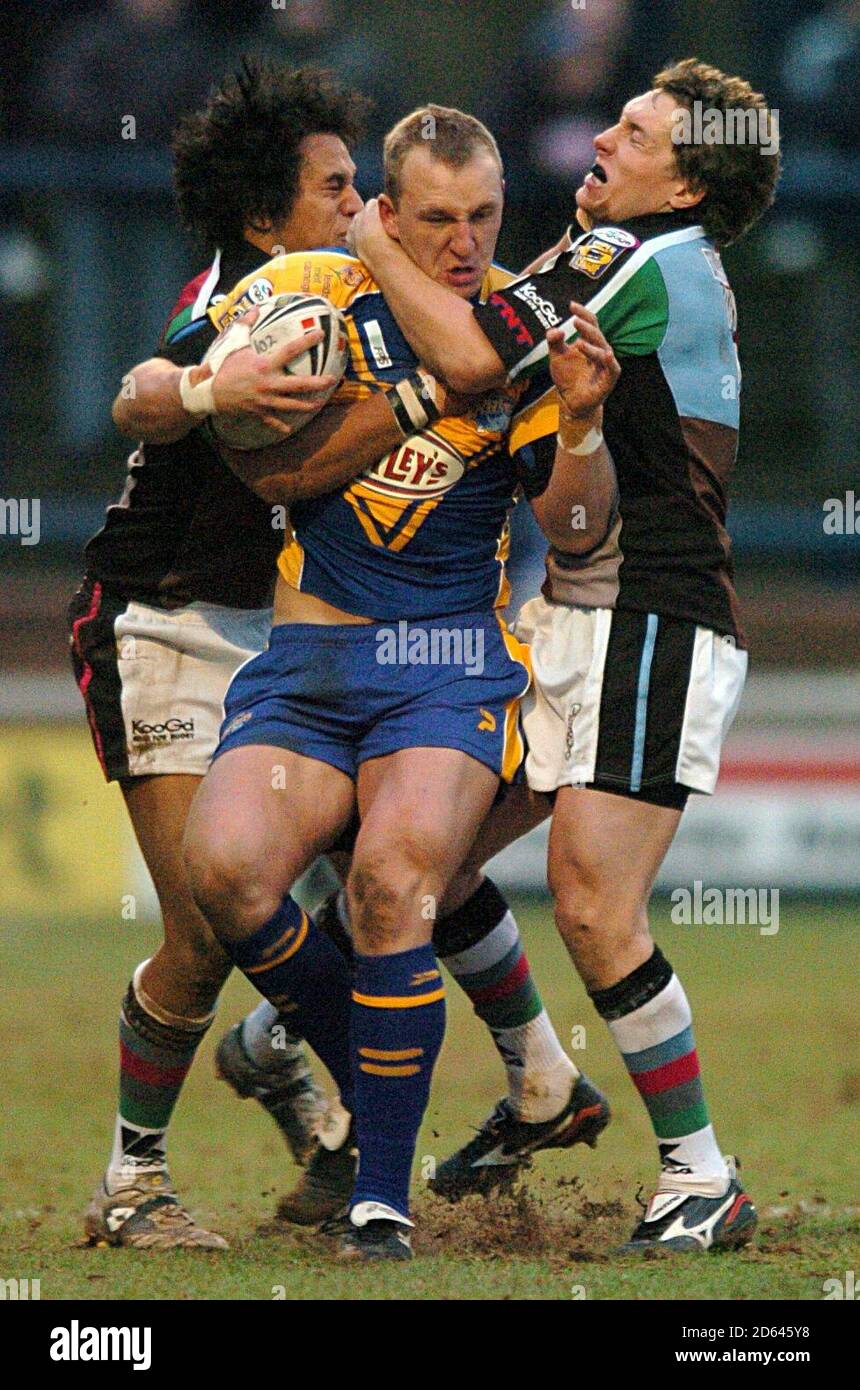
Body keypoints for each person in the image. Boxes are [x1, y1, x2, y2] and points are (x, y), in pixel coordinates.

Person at [353, 58, 780, 1253]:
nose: (600, 138)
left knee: (595, 903)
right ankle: (542, 1078)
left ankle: (700, 1174)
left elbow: (477, 355)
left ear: (682, 176)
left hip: (652, 614)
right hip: (576, 611)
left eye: (632, 131)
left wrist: (366, 237)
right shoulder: (624, 253)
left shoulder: (634, 255)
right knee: (412, 856)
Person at [180, 105, 621, 1261]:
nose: (465, 241)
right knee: (223, 872)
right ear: (386, 212)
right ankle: (387, 1077)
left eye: (482, 216)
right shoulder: (313, 300)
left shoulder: (522, 335)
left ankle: (379, 1193)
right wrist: (188, 386)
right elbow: (260, 459)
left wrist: (579, 428)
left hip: (442, 669)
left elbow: (574, 532)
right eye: (435, 218)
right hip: (308, 662)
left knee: (391, 882)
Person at [69, 59, 371, 1251]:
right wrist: (208, 384)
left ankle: (296, 1073)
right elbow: (137, 396)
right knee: (203, 928)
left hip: (289, 633)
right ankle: (130, 1185)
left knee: (392, 875)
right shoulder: (240, 300)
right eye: (336, 187)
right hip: (168, 624)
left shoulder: (359, 290)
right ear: (264, 216)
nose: (359, 205)